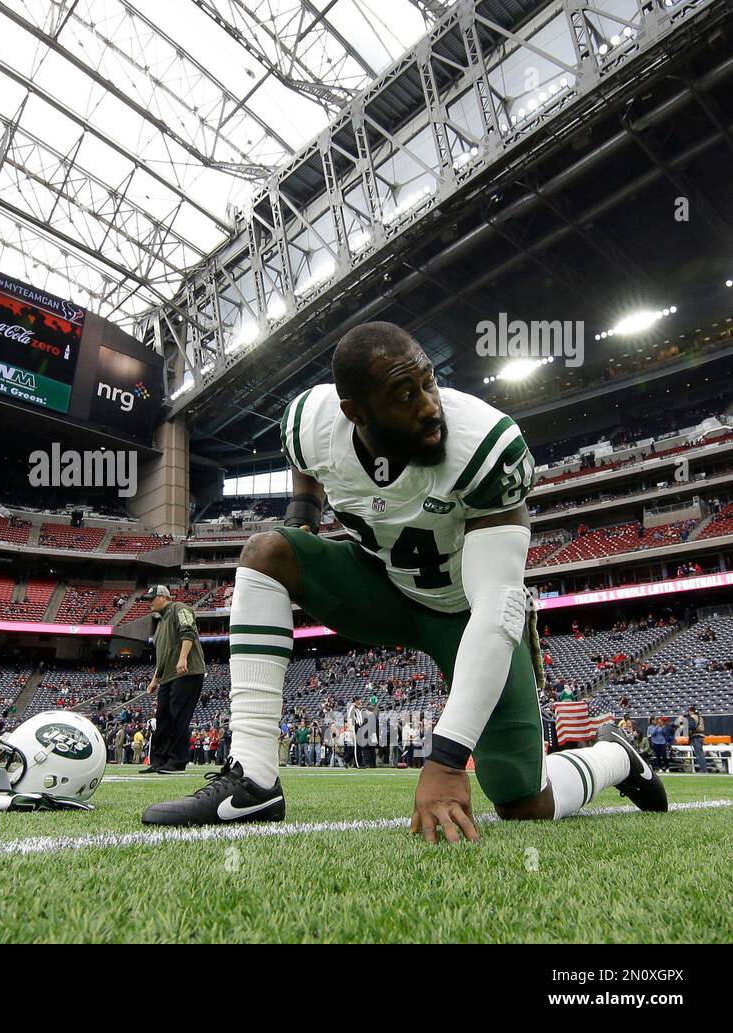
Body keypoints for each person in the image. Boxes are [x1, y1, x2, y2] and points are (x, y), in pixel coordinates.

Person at [142, 322, 666, 836]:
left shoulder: (482, 446)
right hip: (385, 588)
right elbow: (302, 457)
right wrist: (304, 510)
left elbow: (495, 611)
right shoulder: (313, 421)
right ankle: (254, 779)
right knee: (267, 552)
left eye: (428, 382)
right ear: (355, 413)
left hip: (465, 613)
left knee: (524, 802)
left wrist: (447, 759)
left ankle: (613, 756)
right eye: (404, 394)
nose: (429, 405)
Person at [141, 584, 206, 774]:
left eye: (151, 599)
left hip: (187, 672)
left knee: (179, 716)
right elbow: (163, 656)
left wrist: (183, 657)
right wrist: (155, 680)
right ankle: (160, 760)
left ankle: (177, 761)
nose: (149, 604)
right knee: (163, 717)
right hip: (168, 676)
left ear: (163, 597)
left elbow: (188, 631)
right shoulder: (161, 624)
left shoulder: (180, 608)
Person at [687, 704, 707, 773]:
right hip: (701, 736)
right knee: (701, 754)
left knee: (699, 754)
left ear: (691, 711)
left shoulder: (692, 717)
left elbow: (693, 726)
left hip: (696, 736)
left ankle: (703, 770)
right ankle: (704, 769)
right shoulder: (700, 717)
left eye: (689, 711)